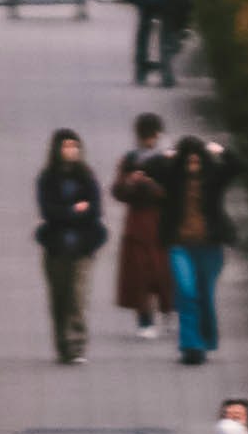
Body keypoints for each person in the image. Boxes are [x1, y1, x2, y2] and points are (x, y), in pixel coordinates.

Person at [34, 127, 107, 362]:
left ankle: (76, 344)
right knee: (59, 297)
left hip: (82, 246)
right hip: (56, 246)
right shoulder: (47, 178)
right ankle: (62, 345)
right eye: (66, 146)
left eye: (74, 146)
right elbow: (48, 211)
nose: (71, 151)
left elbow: (95, 210)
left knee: (77, 297)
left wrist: (73, 214)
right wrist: (73, 211)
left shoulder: (86, 177)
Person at [167, 125, 233, 363]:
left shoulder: (213, 181)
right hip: (180, 245)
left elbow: (237, 167)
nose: (193, 167)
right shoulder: (173, 182)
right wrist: (169, 154)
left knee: (204, 294)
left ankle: (205, 340)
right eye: (188, 163)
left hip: (209, 247)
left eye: (197, 162)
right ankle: (191, 345)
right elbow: (149, 167)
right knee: (186, 292)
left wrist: (222, 151)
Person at [111, 116, 175, 337]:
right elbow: (118, 191)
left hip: (162, 222)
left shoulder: (169, 160)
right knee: (140, 275)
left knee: (164, 273)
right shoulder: (130, 159)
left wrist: (148, 185)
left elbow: (173, 194)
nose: (149, 141)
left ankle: (168, 312)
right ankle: (145, 319)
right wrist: (130, 183)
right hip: (137, 223)